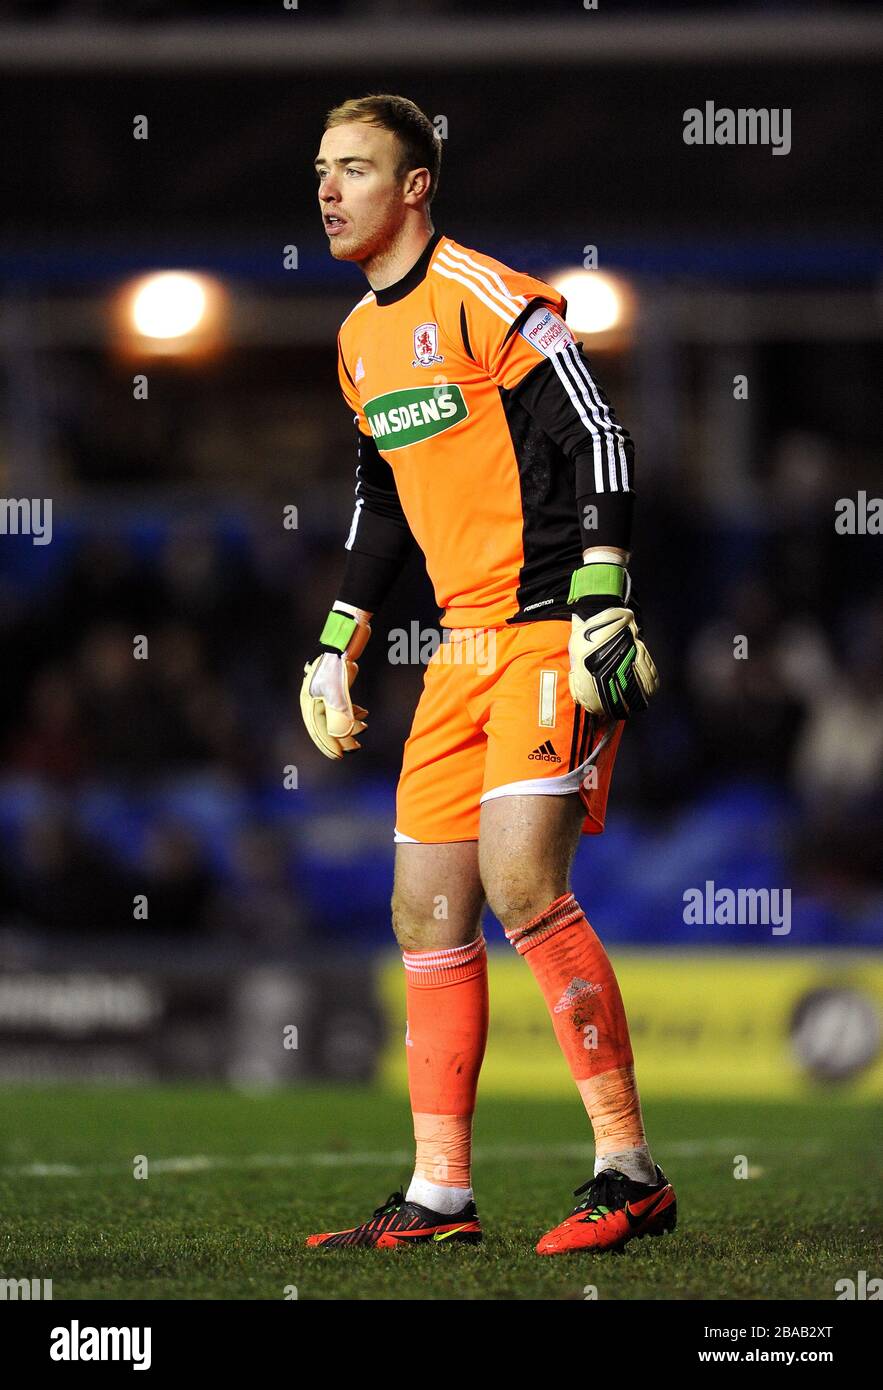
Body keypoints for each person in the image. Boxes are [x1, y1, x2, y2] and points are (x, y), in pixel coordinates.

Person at [300, 93, 674, 1254]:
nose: (327, 187)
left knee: (519, 885)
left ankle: (629, 1170)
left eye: (354, 167)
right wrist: (338, 635)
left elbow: (598, 433)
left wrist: (603, 593)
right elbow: (381, 499)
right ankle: (441, 1193)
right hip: (457, 645)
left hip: (545, 629)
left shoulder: (484, 292)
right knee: (423, 907)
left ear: (414, 187)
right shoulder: (360, 341)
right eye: (321, 168)